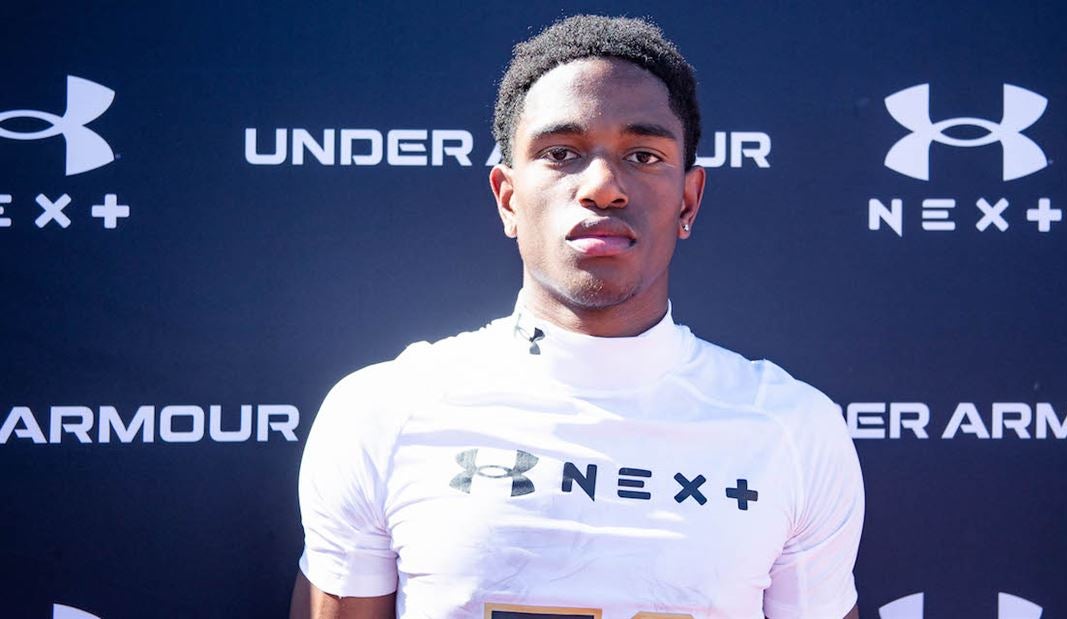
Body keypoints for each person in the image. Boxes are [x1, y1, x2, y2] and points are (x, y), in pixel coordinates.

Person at [290, 14, 863, 619]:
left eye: (643, 155)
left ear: (688, 201)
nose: (603, 187)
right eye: (560, 153)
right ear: (508, 198)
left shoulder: (792, 430)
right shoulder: (385, 411)